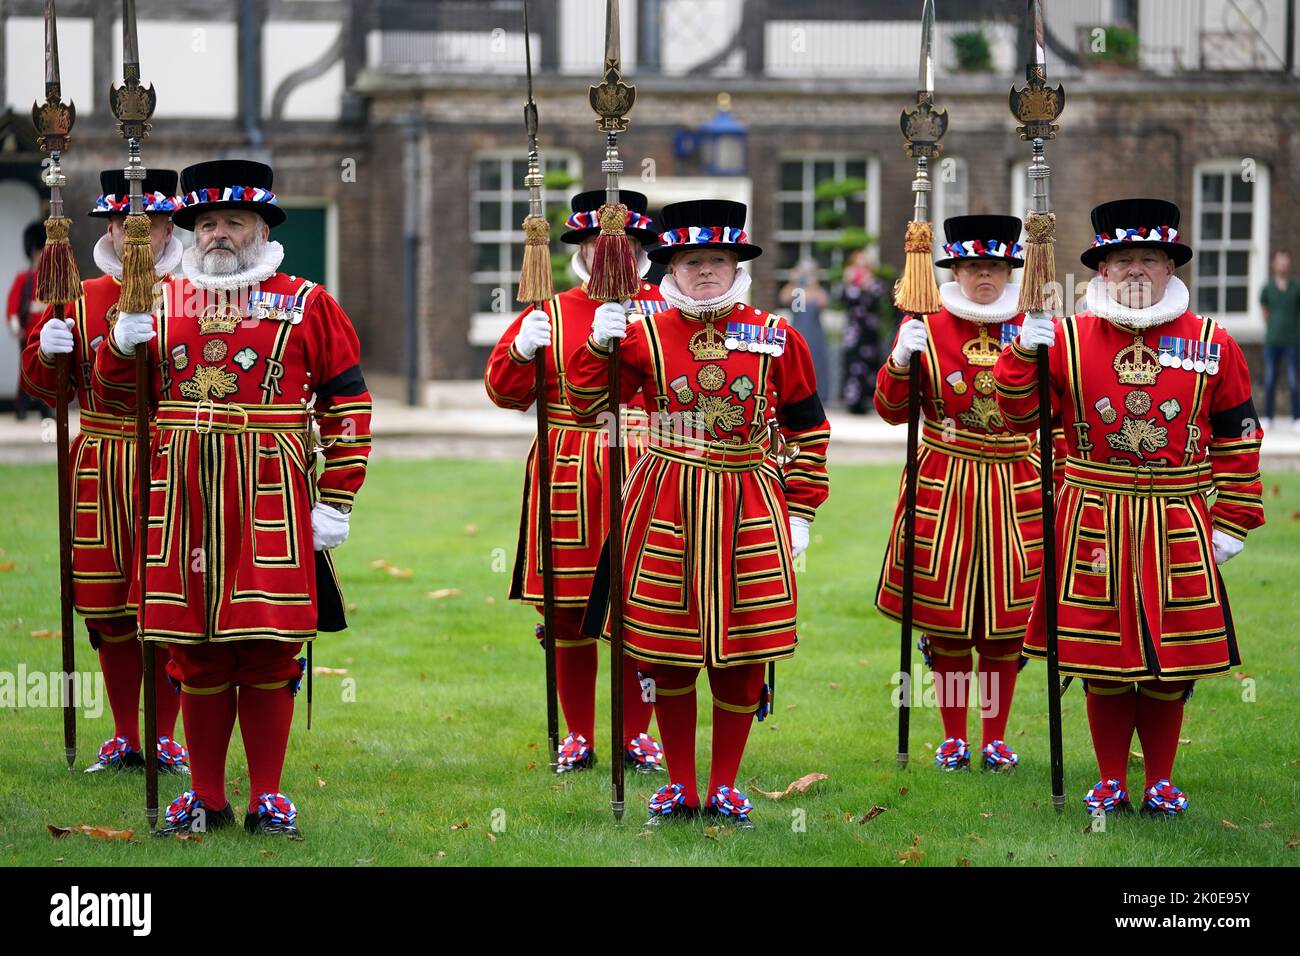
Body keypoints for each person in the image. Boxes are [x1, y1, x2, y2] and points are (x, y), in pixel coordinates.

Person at [92, 160, 372, 838]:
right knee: (198, 651)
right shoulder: (157, 300)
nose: (218, 234)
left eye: (234, 221)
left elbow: (348, 403)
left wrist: (336, 498)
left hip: (271, 500)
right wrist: (114, 350)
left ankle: (267, 799)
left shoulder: (308, 300)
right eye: (206, 222)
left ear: (261, 228)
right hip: (181, 499)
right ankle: (207, 799)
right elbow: (116, 403)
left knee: (270, 646)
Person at [564, 199, 831, 828]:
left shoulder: (776, 333)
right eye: (690, 261)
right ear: (671, 267)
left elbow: (810, 431)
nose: (704, 271)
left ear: (736, 263)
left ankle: (725, 786)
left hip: (750, 499)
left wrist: (801, 510)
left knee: (740, 653)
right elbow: (582, 406)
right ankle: (680, 787)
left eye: (716, 259)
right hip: (664, 499)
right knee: (666, 650)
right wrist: (596, 345)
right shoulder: (639, 331)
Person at [994, 198, 1264, 817]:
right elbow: (1017, 416)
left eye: (1149, 258)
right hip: (1093, 519)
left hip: (1179, 519)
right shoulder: (1063, 336)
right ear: (1102, 270)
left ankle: (1161, 780)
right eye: (1122, 260)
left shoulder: (1211, 341)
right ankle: (1112, 778)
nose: (1135, 270)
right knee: (1103, 659)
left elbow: (1239, 438)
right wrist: (1020, 354)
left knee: (1170, 662)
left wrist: (1232, 522)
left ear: (1171, 267)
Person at [484, 190, 666, 773]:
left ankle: (638, 735)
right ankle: (580, 735)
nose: (609, 253)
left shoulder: (670, 308)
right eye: (597, 243)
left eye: (624, 244)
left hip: (653, 461)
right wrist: (520, 350)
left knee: (646, 607)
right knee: (567, 610)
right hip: (568, 464)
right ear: (583, 250)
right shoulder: (551, 311)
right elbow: (504, 394)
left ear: (640, 251)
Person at [21, 170, 188, 775]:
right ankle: (124, 735)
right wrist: (49, 350)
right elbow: (44, 389)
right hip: (99, 459)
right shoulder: (80, 296)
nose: (130, 236)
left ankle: (166, 737)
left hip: (172, 457)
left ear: (169, 226)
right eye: (120, 225)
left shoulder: (198, 292)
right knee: (107, 605)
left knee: (166, 599)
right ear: (111, 229)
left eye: (147, 224)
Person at [875, 215, 1039, 772]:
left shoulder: (1031, 324)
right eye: (972, 267)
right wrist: (900, 360)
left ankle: (994, 736)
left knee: (1003, 621)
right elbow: (893, 412)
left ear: (1010, 269)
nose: (983, 277)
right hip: (943, 484)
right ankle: (952, 737)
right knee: (947, 620)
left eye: (993, 266)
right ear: (955, 269)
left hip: (1016, 482)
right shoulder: (929, 323)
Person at [8, 221, 53, 419]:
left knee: (46, 371)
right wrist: (16, 327)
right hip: (28, 333)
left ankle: (45, 408)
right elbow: (12, 307)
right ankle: (22, 408)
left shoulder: (53, 277)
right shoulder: (23, 278)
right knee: (25, 371)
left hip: (47, 332)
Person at [839, 248, 885, 414]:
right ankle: (852, 400)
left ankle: (869, 400)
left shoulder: (874, 282)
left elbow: (879, 299)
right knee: (852, 364)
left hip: (869, 330)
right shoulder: (848, 283)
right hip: (853, 331)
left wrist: (867, 284)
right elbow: (842, 300)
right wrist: (849, 282)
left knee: (870, 364)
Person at [1259, 250, 1300, 431]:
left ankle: (1297, 418)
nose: (1283, 265)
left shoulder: (1296, 288)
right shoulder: (1267, 288)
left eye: (1286, 262)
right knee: (1269, 379)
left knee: (1293, 380)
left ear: (1289, 265)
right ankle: (1268, 417)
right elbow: (1264, 312)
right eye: (1280, 262)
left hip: (1292, 341)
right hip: (1272, 341)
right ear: (1274, 264)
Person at [778, 259, 831, 397]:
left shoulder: (816, 291)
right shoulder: (796, 291)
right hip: (797, 332)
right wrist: (792, 281)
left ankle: (818, 395)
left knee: (816, 364)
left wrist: (814, 284)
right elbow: (783, 298)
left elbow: (824, 303)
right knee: (796, 365)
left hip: (815, 333)